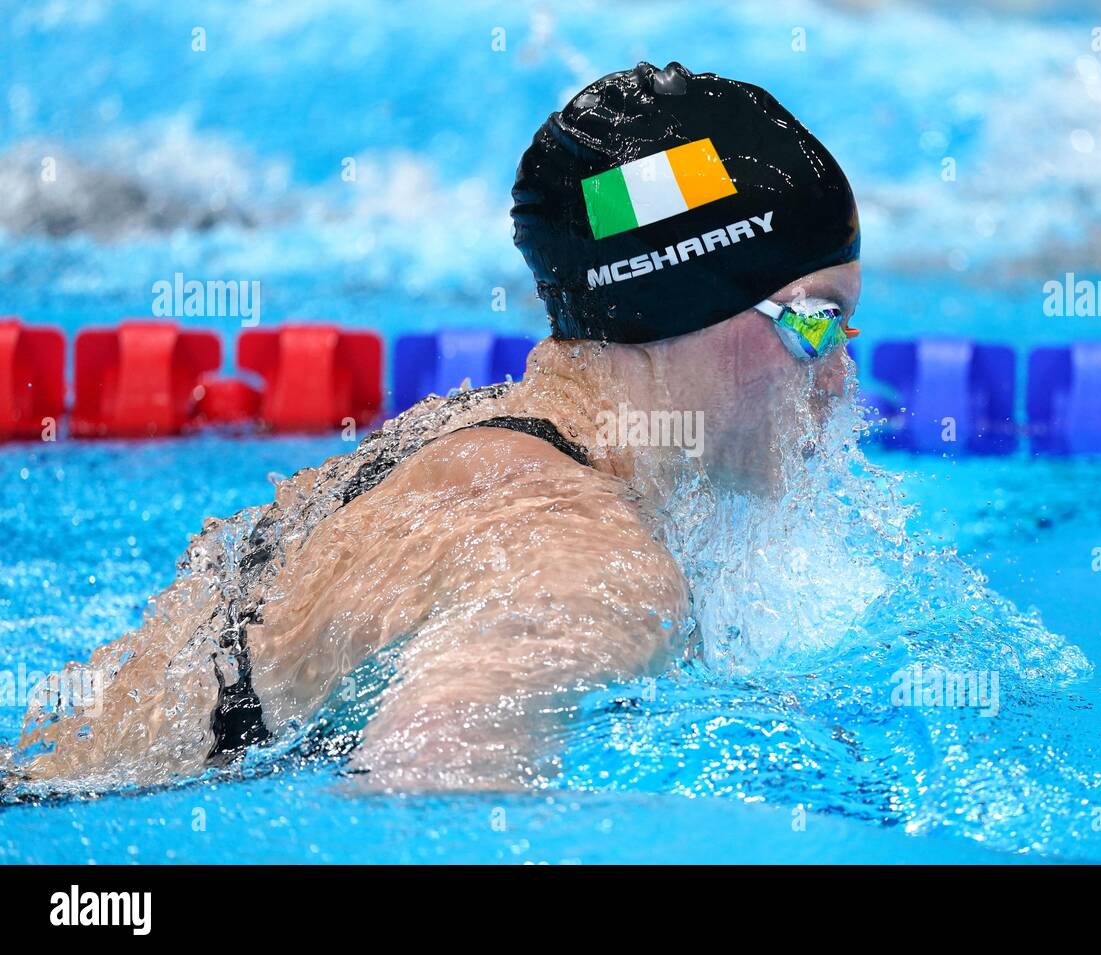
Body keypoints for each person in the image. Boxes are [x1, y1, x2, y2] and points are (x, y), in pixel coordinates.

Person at [8, 62, 860, 794]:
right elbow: (416, 808)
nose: (843, 379)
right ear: (683, 302)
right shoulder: (591, 568)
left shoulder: (487, 438)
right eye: (816, 321)